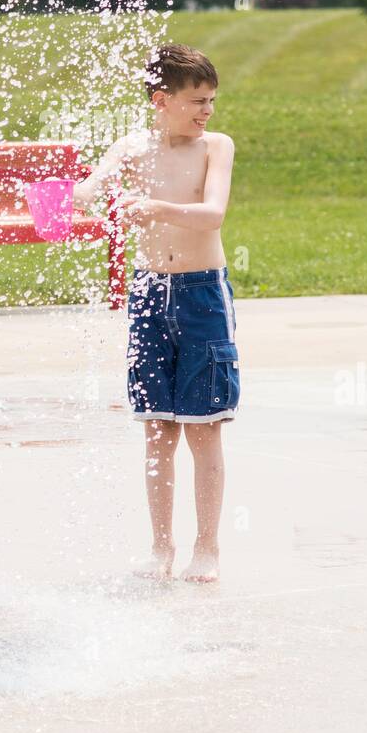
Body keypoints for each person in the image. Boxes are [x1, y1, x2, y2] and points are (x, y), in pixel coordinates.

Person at [73, 43, 239, 584]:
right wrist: (75, 197)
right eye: (196, 101)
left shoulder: (216, 146)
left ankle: (207, 547)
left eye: (211, 100)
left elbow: (212, 216)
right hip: (149, 294)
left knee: (204, 428)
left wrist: (157, 208)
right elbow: (90, 190)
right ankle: (160, 549)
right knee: (158, 430)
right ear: (160, 99)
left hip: (200, 295)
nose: (206, 111)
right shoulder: (131, 147)